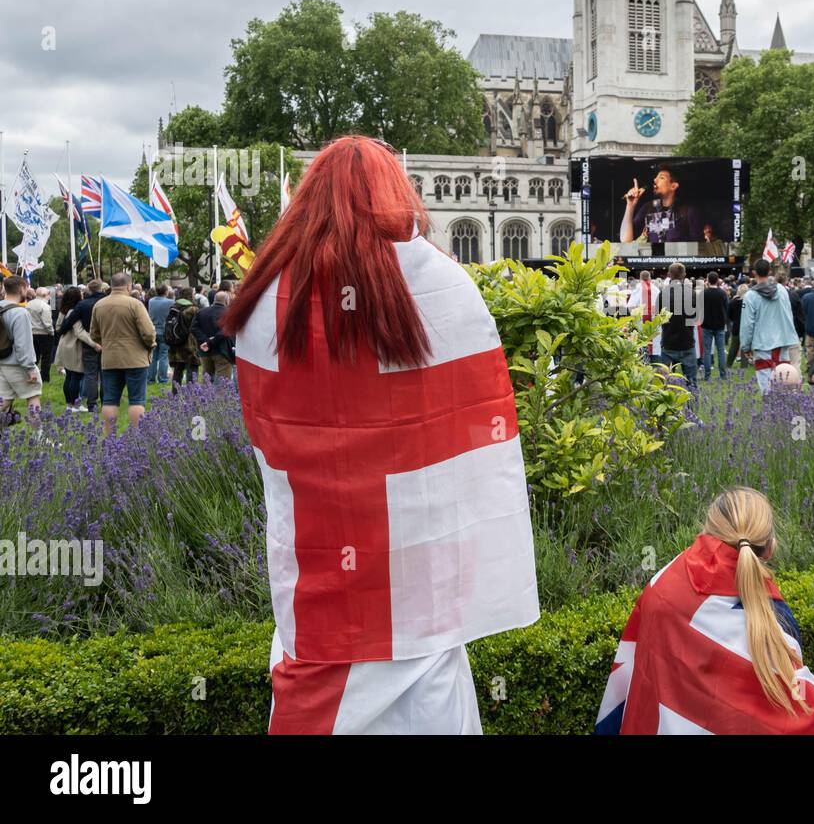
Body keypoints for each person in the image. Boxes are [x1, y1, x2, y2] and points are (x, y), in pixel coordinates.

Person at [221, 135, 539, 734]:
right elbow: (474, 423)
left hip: (317, 577)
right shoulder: (441, 283)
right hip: (422, 578)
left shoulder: (267, 296)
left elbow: (268, 428)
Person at [596, 487, 814, 735]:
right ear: (770, 548)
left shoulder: (663, 586)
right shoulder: (775, 618)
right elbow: (779, 703)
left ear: (706, 531)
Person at [89, 272, 157, 437]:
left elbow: (94, 335)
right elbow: (148, 332)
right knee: (137, 400)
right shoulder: (135, 304)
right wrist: (151, 344)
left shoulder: (99, 305)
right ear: (129, 286)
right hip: (136, 359)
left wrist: (107, 342)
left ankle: (109, 437)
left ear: (111, 285)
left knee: (110, 399)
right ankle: (136, 438)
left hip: (110, 358)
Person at [739, 259, 799, 394]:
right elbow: (788, 313)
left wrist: (746, 346)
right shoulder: (782, 290)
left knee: (767, 384)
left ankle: (772, 412)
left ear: (754, 272)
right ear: (770, 271)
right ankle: (785, 410)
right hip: (783, 340)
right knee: (785, 380)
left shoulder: (750, 296)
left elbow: (748, 323)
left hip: (763, 343)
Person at [619, 164, 703, 243]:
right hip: (653, 258)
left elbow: (698, 248)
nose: (655, 180)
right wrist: (630, 205)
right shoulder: (648, 208)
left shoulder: (688, 212)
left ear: (673, 186)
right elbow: (626, 240)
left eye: (661, 178)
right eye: (656, 177)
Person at [60, 278, 107, 413]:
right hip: (106, 342)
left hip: (89, 343)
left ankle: (92, 404)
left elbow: (69, 322)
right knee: (105, 375)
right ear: (102, 288)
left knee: (91, 375)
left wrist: (61, 331)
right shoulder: (107, 301)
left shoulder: (82, 305)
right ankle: (106, 402)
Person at [1, 275, 42, 427]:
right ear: (21, 288)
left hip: (1, 362)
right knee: (33, 397)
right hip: (18, 364)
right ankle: (39, 438)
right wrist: (30, 368)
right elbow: (22, 344)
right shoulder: (20, 312)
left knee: (3, 402)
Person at [658, 262, 700, 389]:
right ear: (684, 275)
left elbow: (659, 318)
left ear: (669, 275)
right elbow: (697, 318)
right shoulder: (692, 294)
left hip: (669, 343)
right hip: (686, 342)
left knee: (666, 386)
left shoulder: (663, 294)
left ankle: (670, 409)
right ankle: (691, 408)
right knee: (691, 384)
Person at [53, 286, 91, 409]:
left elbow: (58, 327)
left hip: (64, 344)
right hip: (74, 345)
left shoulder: (63, 310)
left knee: (69, 376)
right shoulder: (74, 312)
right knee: (75, 376)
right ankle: (75, 405)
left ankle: (69, 404)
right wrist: (94, 343)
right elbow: (79, 331)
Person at [193, 291, 236, 381]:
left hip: (205, 351)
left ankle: (203, 395)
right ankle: (220, 396)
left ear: (214, 300)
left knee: (206, 380)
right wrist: (210, 342)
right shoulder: (229, 313)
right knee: (223, 382)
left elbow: (194, 328)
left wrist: (206, 341)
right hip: (222, 351)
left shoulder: (202, 312)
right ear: (227, 301)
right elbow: (225, 331)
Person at [164, 289, 201, 390]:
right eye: (193, 294)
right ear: (190, 295)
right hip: (189, 344)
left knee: (178, 370)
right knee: (192, 370)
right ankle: (192, 394)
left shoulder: (174, 307)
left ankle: (175, 394)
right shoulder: (193, 309)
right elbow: (197, 326)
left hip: (176, 343)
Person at [700, 271, 728, 382]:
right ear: (717, 280)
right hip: (720, 324)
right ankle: (722, 375)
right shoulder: (722, 293)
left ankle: (707, 375)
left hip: (706, 324)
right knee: (721, 350)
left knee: (707, 350)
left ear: (707, 280)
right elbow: (727, 308)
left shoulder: (703, 293)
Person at [26, 287, 55, 383]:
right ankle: (45, 377)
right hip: (44, 334)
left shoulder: (29, 304)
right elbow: (47, 323)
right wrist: (52, 332)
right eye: (48, 294)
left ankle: (32, 374)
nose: (49, 296)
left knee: (35, 356)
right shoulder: (45, 306)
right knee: (46, 357)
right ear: (44, 295)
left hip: (32, 333)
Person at [146, 285, 175, 384]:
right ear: (166, 292)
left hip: (153, 330)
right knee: (164, 355)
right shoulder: (170, 302)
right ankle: (162, 379)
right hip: (164, 331)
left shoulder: (151, 301)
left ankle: (150, 379)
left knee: (153, 356)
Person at [726, 282, 748, 368]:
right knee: (744, 347)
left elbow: (729, 315)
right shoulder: (749, 302)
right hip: (746, 326)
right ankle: (744, 365)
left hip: (736, 326)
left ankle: (728, 364)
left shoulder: (733, 302)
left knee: (734, 346)